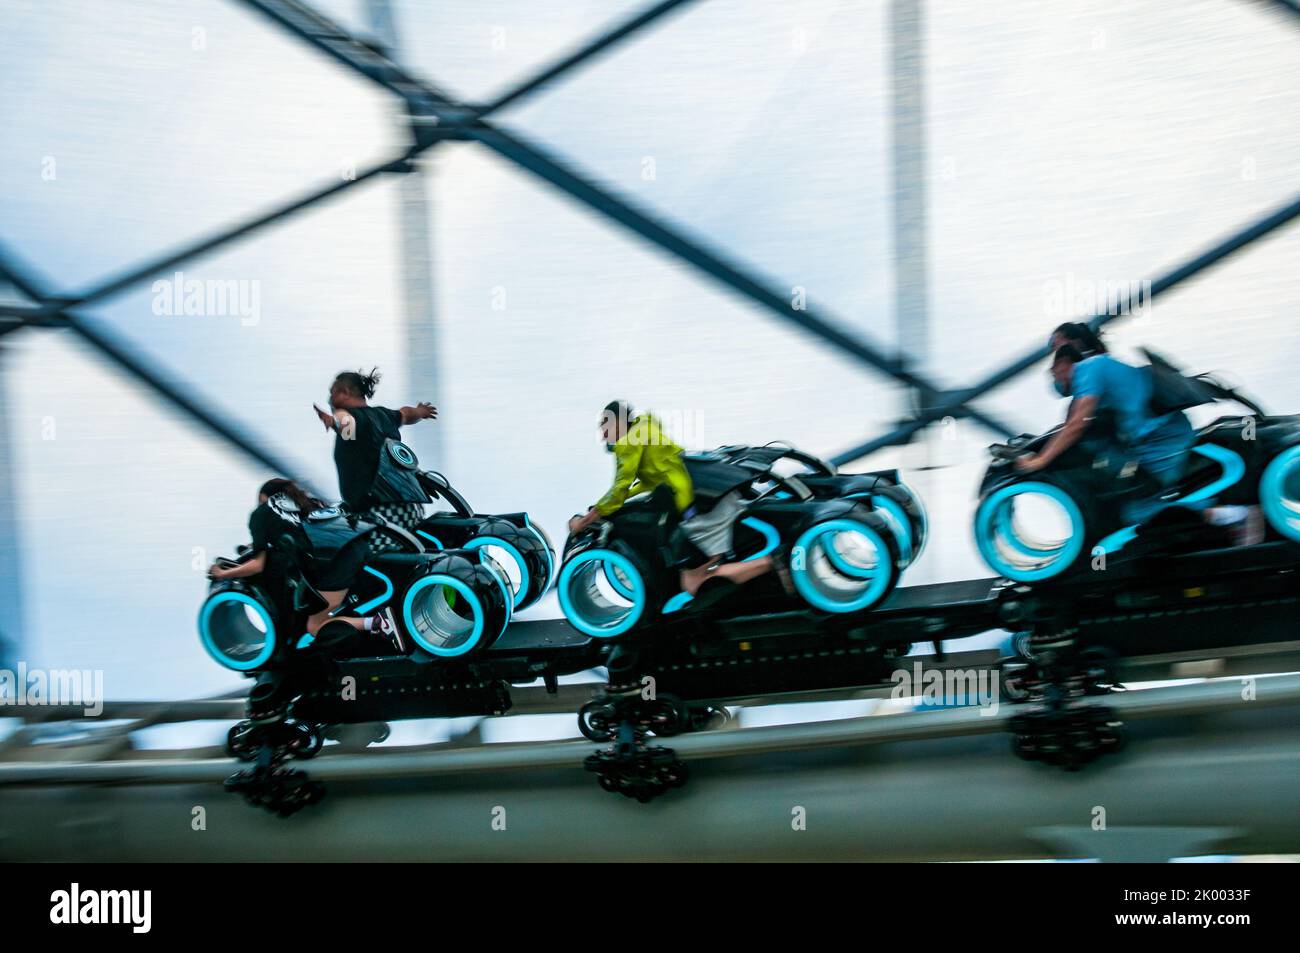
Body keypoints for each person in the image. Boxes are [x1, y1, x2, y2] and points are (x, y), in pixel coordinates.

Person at [568, 401, 775, 600]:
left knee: (691, 583)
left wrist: (586, 520)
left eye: (605, 425)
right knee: (702, 569)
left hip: (690, 503)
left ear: (619, 424)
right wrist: (605, 505)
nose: (603, 434)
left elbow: (621, 486)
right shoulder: (645, 427)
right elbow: (651, 480)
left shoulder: (627, 444)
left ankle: (772, 563)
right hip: (699, 483)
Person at [208, 478, 398, 645]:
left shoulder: (260, 514)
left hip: (336, 563)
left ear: (264, 498)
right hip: (360, 547)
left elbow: (258, 565)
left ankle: (379, 623)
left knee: (315, 626)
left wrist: (222, 574)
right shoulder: (307, 503)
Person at [314, 367, 437, 552]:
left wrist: (334, 422)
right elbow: (406, 413)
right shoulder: (385, 415)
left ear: (345, 392)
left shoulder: (348, 417)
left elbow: (346, 422)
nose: (330, 400)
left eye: (332, 394)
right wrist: (420, 411)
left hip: (379, 515)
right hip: (411, 511)